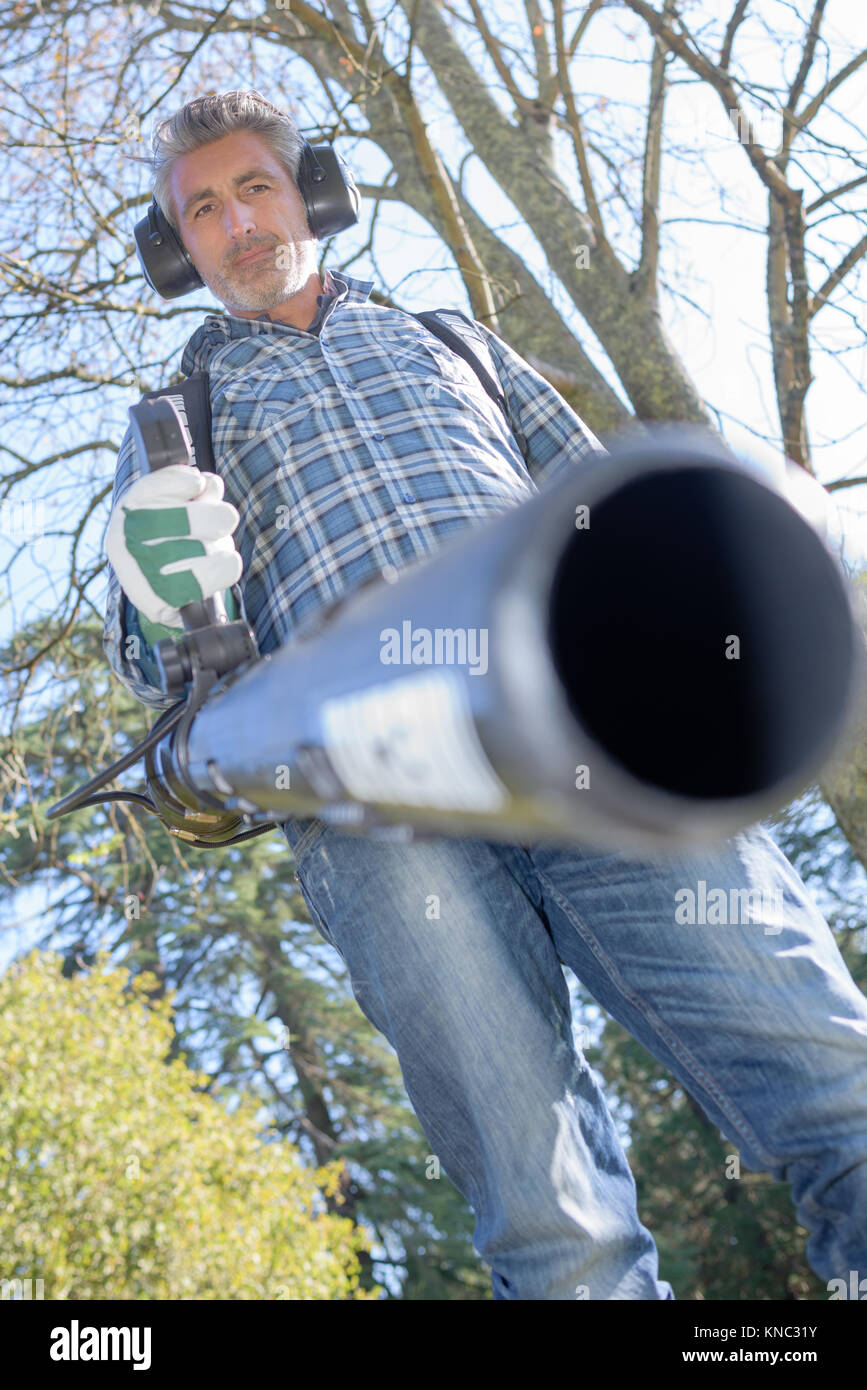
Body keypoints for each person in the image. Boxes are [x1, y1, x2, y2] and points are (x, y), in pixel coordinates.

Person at [103, 90, 867, 1300]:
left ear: (314, 195)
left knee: (839, 1086)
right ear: (175, 251)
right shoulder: (168, 429)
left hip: (601, 746)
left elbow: (607, 518)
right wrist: (150, 594)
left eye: (256, 186)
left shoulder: (453, 339)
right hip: (375, 813)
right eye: (202, 209)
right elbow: (160, 670)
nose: (238, 220)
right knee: (551, 1226)